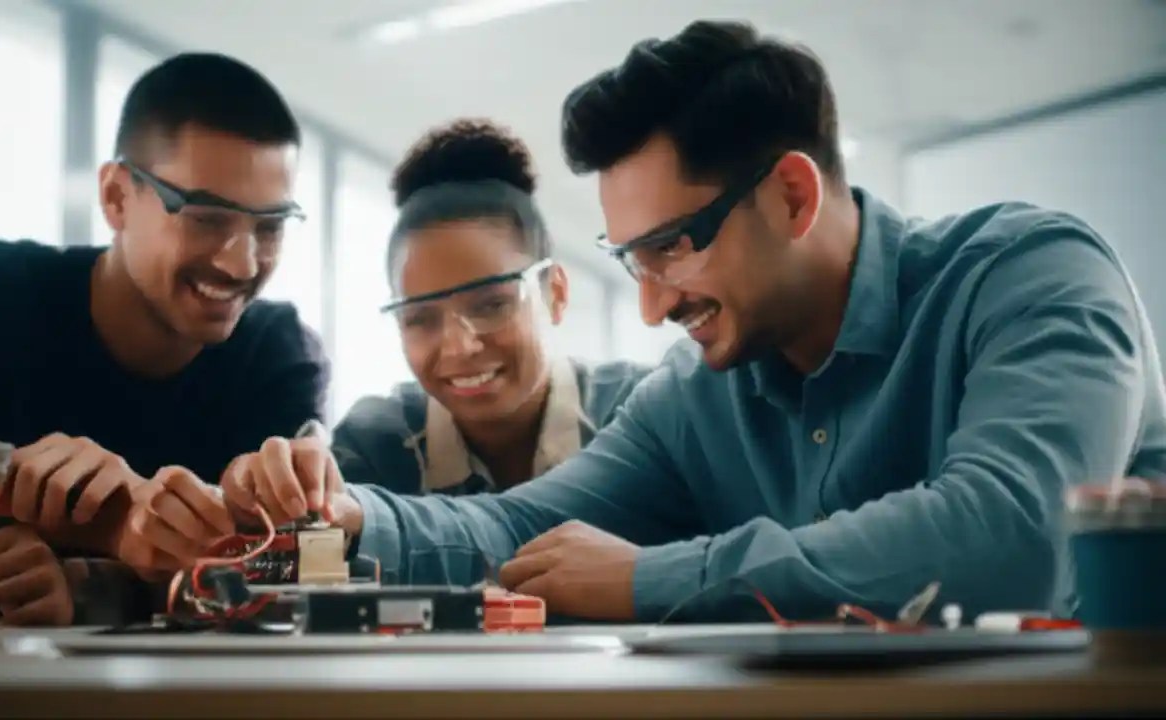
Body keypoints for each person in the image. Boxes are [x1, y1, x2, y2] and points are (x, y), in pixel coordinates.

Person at [161, 19, 1166, 624]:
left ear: (791, 195)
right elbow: (519, 531)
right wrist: (350, 518)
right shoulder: (694, 394)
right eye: (629, 261)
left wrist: (653, 578)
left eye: (673, 246)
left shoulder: (1031, 275)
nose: (650, 304)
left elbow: (1012, 535)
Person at [0, 52, 329, 625]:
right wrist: (107, 514)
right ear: (117, 197)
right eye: (206, 217)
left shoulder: (280, 353)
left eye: (269, 227)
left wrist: (92, 587)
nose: (242, 263)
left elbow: (309, 567)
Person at [130, 120, 652, 557]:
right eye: (420, 317)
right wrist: (255, 512)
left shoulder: (642, 409)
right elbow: (305, 564)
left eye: (491, 305)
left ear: (555, 293)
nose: (459, 347)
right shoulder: (375, 443)